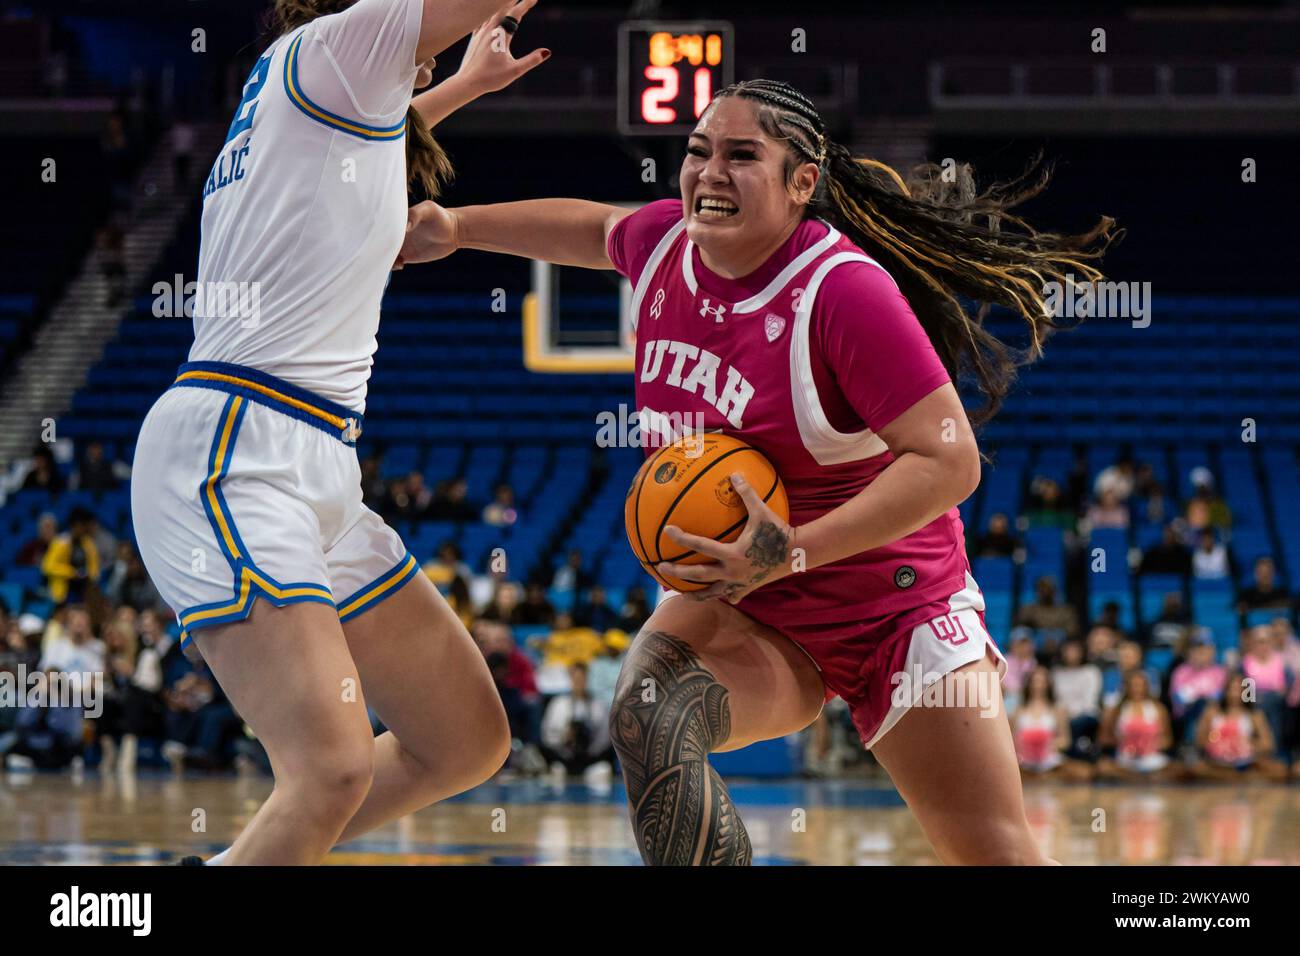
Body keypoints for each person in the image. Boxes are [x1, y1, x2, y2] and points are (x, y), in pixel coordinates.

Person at [398, 77, 1116, 864]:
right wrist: (455, 225)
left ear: (801, 182)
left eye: (743, 156)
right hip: (753, 603)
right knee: (648, 708)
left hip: (894, 612)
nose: (710, 172)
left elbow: (948, 462)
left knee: (995, 853)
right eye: (700, 151)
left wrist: (795, 550)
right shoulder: (665, 246)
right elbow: (595, 226)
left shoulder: (843, 292)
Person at [128, 0, 550, 865]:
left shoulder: (314, 92)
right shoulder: (338, 42)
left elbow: (363, 157)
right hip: (236, 452)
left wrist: (466, 82)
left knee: (464, 739)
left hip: (316, 462)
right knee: (330, 768)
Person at [1190, 672, 1289, 782]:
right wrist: (1216, 743)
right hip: (1217, 762)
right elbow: (1199, 741)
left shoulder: (1254, 715)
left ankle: (1234, 777)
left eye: (1240, 690)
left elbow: (1268, 744)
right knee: (1197, 768)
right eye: (1231, 689)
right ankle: (1237, 777)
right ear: (1225, 691)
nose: (1235, 694)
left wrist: (1247, 744)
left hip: (1247, 762)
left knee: (1280, 770)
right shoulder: (1212, 712)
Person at [1096, 670, 1179, 781]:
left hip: (1150, 758)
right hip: (1125, 758)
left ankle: (1138, 778)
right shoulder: (1116, 710)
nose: (1137, 689)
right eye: (1134, 685)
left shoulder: (1158, 708)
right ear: (1126, 687)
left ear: (1147, 687)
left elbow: (1167, 740)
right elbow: (1103, 738)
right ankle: (1142, 778)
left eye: (1141, 685)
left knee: (1179, 769)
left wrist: (1150, 744)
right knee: (1103, 767)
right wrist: (1123, 741)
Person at [1011, 667, 1092, 781]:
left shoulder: (1057, 710)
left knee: (1083, 772)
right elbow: (1011, 741)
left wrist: (1053, 744)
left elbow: (1066, 740)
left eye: (1042, 681)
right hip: (1024, 761)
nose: (1038, 686)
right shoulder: (1017, 711)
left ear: (1048, 684)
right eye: (1035, 681)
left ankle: (1042, 777)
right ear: (1028, 684)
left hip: (1050, 761)